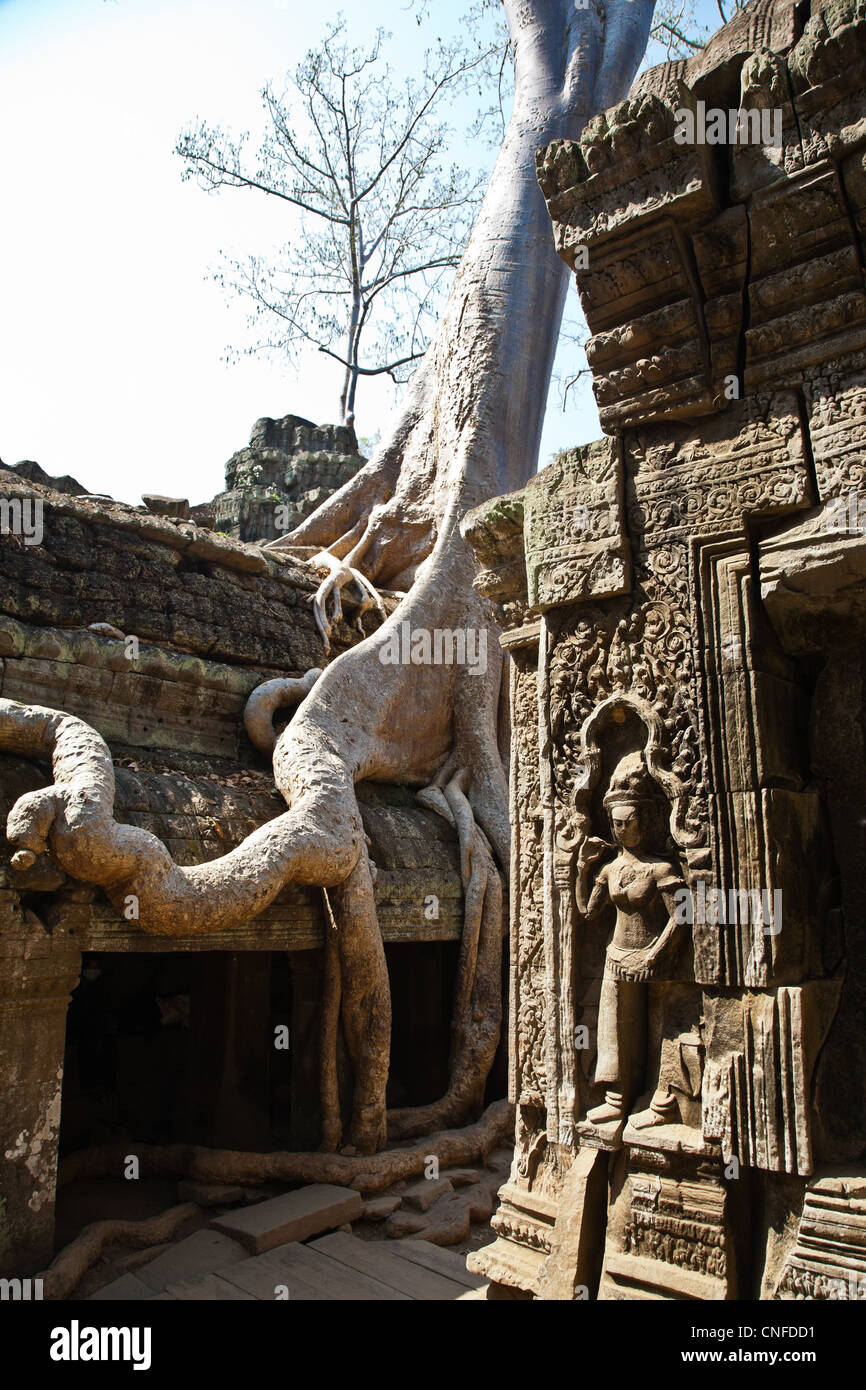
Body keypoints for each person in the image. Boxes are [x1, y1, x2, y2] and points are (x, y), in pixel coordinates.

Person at [576, 751, 688, 1129]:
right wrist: (581, 867)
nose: (622, 829)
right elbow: (588, 913)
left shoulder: (661, 869)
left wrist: (656, 953)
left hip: (655, 956)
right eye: (616, 823)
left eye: (629, 822)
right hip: (616, 955)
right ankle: (616, 1097)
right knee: (615, 1031)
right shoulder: (611, 870)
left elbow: (684, 915)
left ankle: (661, 1099)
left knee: (662, 1028)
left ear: (647, 821)